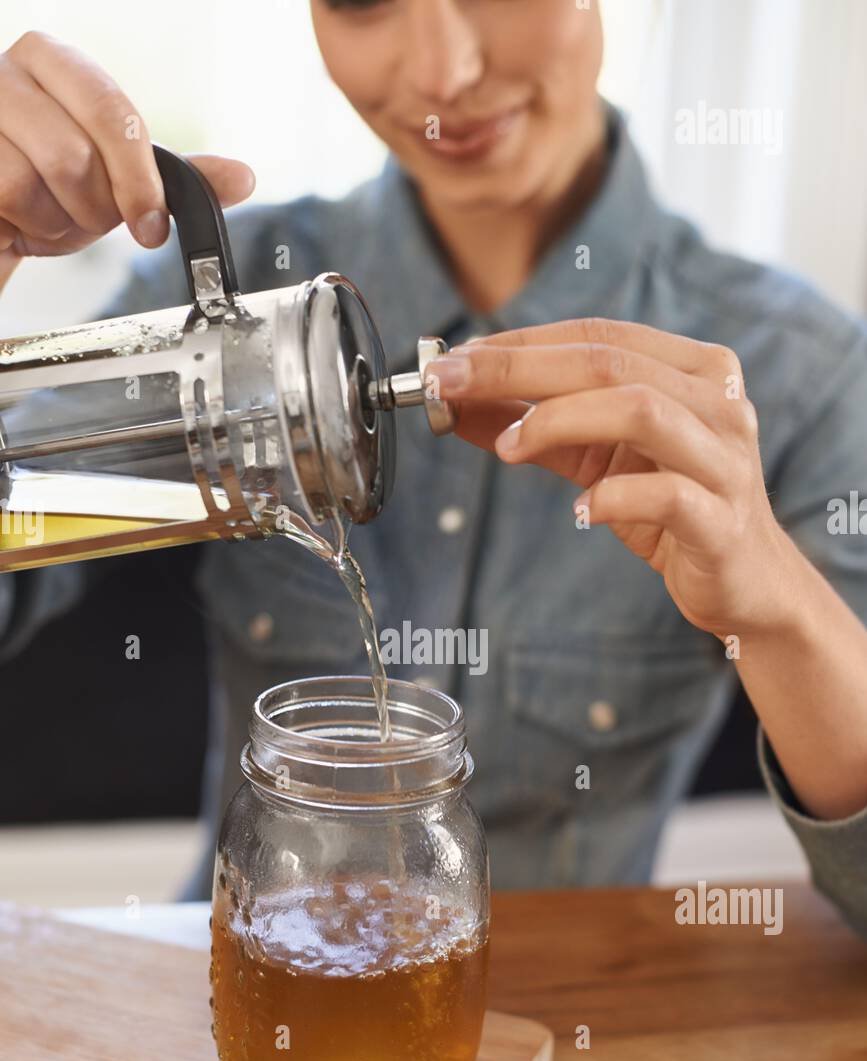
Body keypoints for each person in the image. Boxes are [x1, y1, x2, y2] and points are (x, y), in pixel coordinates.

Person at [0, 5, 865, 930]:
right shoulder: (223, 305)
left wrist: (776, 605)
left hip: (587, 1020)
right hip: (245, 997)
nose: (446, 72)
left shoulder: (795, 371)